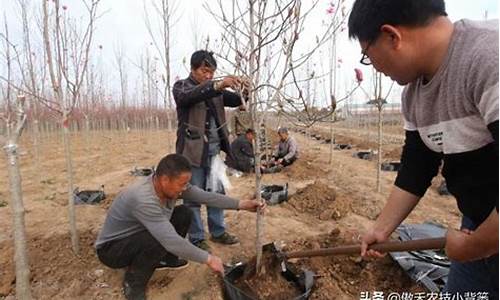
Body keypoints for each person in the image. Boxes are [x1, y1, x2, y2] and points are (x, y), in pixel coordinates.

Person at [348, 0, 498, 296]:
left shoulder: (487, 58)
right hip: (478, 224)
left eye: (368, 55)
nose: (373, 67)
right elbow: (417, 168)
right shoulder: (414, 96)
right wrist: (381, 229)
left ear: (392, 36)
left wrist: (478, 244)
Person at [95, 154, 264, 300]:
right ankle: (133, 283)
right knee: (157, 238)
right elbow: (171, 240)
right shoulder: (143, 198)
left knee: (184, 213)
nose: (185, 188)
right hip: (112, 249)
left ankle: (168, 259)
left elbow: (206, 197)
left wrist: (241, 204)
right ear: (164, 179)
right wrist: (209, 259)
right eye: (182, 184)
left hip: (139, 233)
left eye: (186, 184)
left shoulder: (171, 187)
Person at [173, 50, 248, 251]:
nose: (209, 76)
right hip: (192, 153)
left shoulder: (216, 92)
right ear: (193, 69)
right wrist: (216, 85)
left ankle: (218, 232)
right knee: (193, 196)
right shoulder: (182, 87)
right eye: (205, 71)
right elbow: (187, 98)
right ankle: (196, 237)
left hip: (214, 153)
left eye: (212, 72)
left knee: (216, 192)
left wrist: (245, 89)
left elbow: (237, 101)